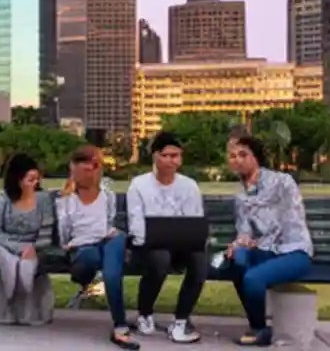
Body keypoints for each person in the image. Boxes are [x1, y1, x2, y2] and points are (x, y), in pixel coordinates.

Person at [226, 136, 313, 347]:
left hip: (292, 251)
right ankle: (258, 327)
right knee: (236, 259)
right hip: (264, 251)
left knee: (253, 279)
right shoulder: (241, 196)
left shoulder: (282, 182)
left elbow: (288, 221)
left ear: (256, 157)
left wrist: (259, 242)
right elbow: (245, 231)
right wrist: (239, 244)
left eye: (243, 155)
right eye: (233, 156)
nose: (237, 160)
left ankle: (259, 329)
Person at [126, 132, 207, 343]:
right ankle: (145, 314)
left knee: (199, 261)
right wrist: (148, 239)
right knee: (160, 259)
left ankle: (181, 321)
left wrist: (190, 239)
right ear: (155, 156)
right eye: (166, 155)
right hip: (148, 245)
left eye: (176, 156)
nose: (171, 160)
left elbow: (193, 221)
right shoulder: (139, 184)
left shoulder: (189, 185)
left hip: (182, 245)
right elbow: (136, 223)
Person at [57, 145, 136, 350]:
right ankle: (100, 286)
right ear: (74, 168)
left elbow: (108, 222)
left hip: (109, 240)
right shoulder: (66, 199)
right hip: (84, 248)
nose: (91, 171)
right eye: (86, 166)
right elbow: (65, 235)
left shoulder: (107, 195)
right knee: (93, 256)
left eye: (95, 166)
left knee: (113, 258)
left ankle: (120, 326)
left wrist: (106, 235)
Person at [0, 153, 52, 326]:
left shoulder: (43, 199)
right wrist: (15, 249)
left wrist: (34, 247)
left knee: (24, 268)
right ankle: (8, 306)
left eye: (36, 179)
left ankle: (24, 308)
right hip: (4, 246)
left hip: (32, 247)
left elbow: (46, 232)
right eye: (30, 180)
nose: (35, 184)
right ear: (18, 179)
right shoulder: (3, 199)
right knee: (10, 263)